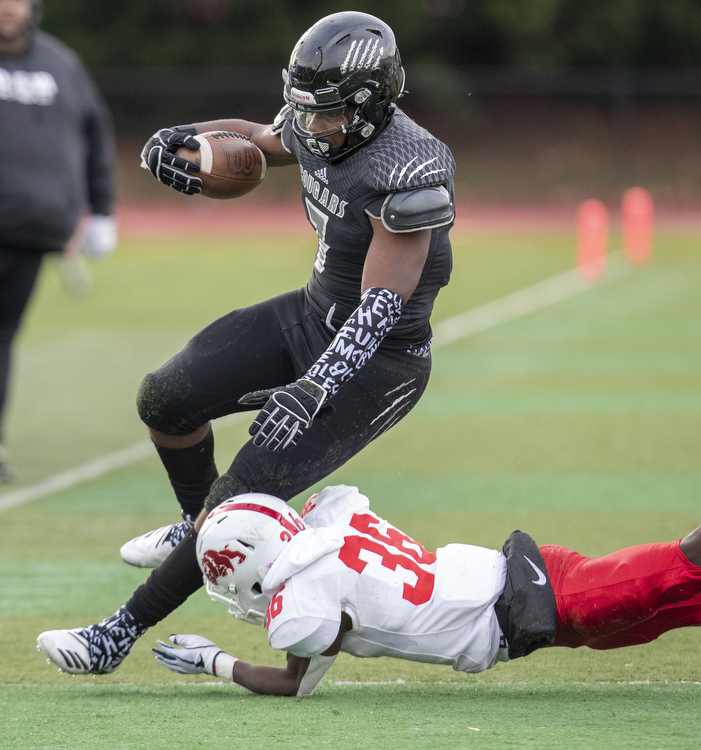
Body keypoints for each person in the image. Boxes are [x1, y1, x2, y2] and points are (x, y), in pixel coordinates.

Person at [36, 11, 456, 674]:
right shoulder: (320, 120)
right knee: (167, 399)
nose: (312, 129)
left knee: (235, 501)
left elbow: (381, 307)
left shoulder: (410, 169)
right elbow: (260, 140)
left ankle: (113, 635)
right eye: (306, 111)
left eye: (326, 116)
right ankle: (192, 520)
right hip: (311, 314)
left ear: (372, 105)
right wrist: (183, 138)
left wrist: (314, 386)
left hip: (376, 363)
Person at [40, 413, 701, 690]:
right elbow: (310, 533)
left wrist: (218, 664)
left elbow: (297, 679)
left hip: (522, 609)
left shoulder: (298, 600)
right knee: (696, 601)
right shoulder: (332, 523)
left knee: (688, 566)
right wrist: (209, 534)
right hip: (529, 586)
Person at [0, 0, 118, 484]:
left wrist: (101, 209)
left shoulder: (58, 62)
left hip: (29, 232)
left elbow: (93, 132)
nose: (6, 7)